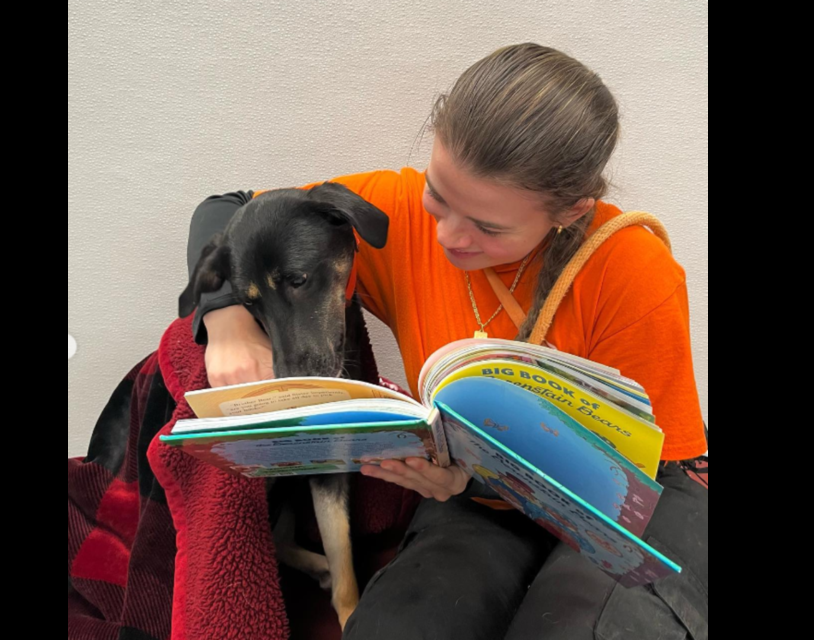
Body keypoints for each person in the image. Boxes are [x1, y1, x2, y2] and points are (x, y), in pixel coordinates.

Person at [186, 43, 708, 640]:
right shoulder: (397, 217)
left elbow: (643, 471)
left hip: (629, 500)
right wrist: (223, 318)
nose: (447, 237)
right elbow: (226, 212)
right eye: (439, 195)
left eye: (488, 226)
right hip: (474, 494)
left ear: (569, 210)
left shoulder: (632, 270)